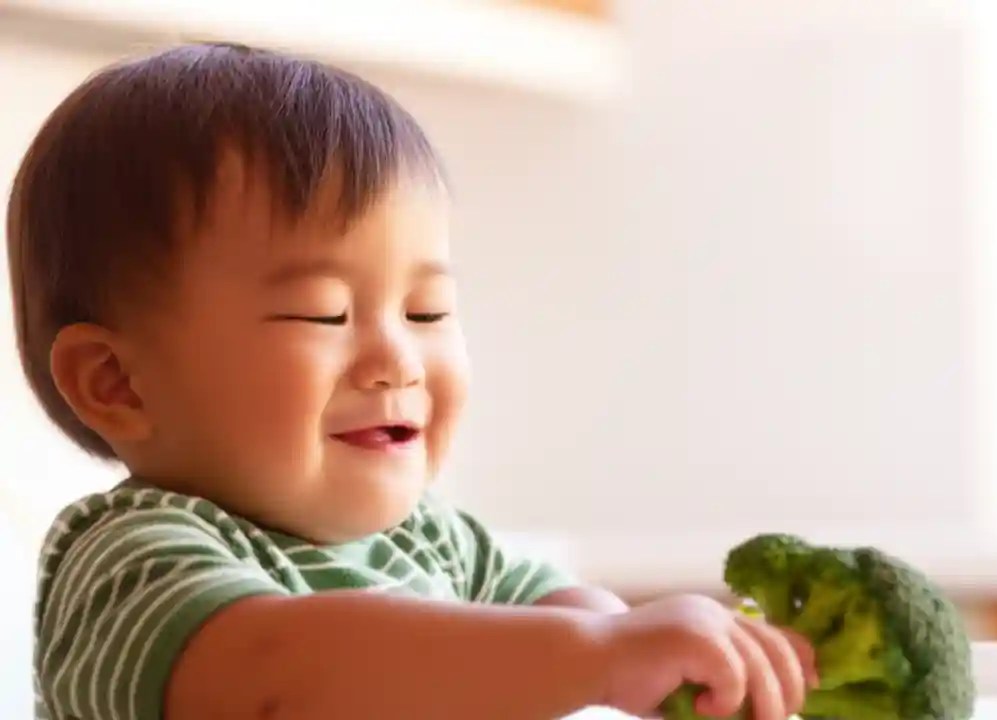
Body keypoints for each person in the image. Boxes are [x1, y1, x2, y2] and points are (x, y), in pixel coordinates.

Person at [8, 43, 816, 720]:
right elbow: (281, 674)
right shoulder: (130, 557)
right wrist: (599, 654)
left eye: (427, 312)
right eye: (324, 316)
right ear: (118, 382)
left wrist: (661, 648)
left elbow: (558, 612)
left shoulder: (435, 539)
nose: (396, 359)